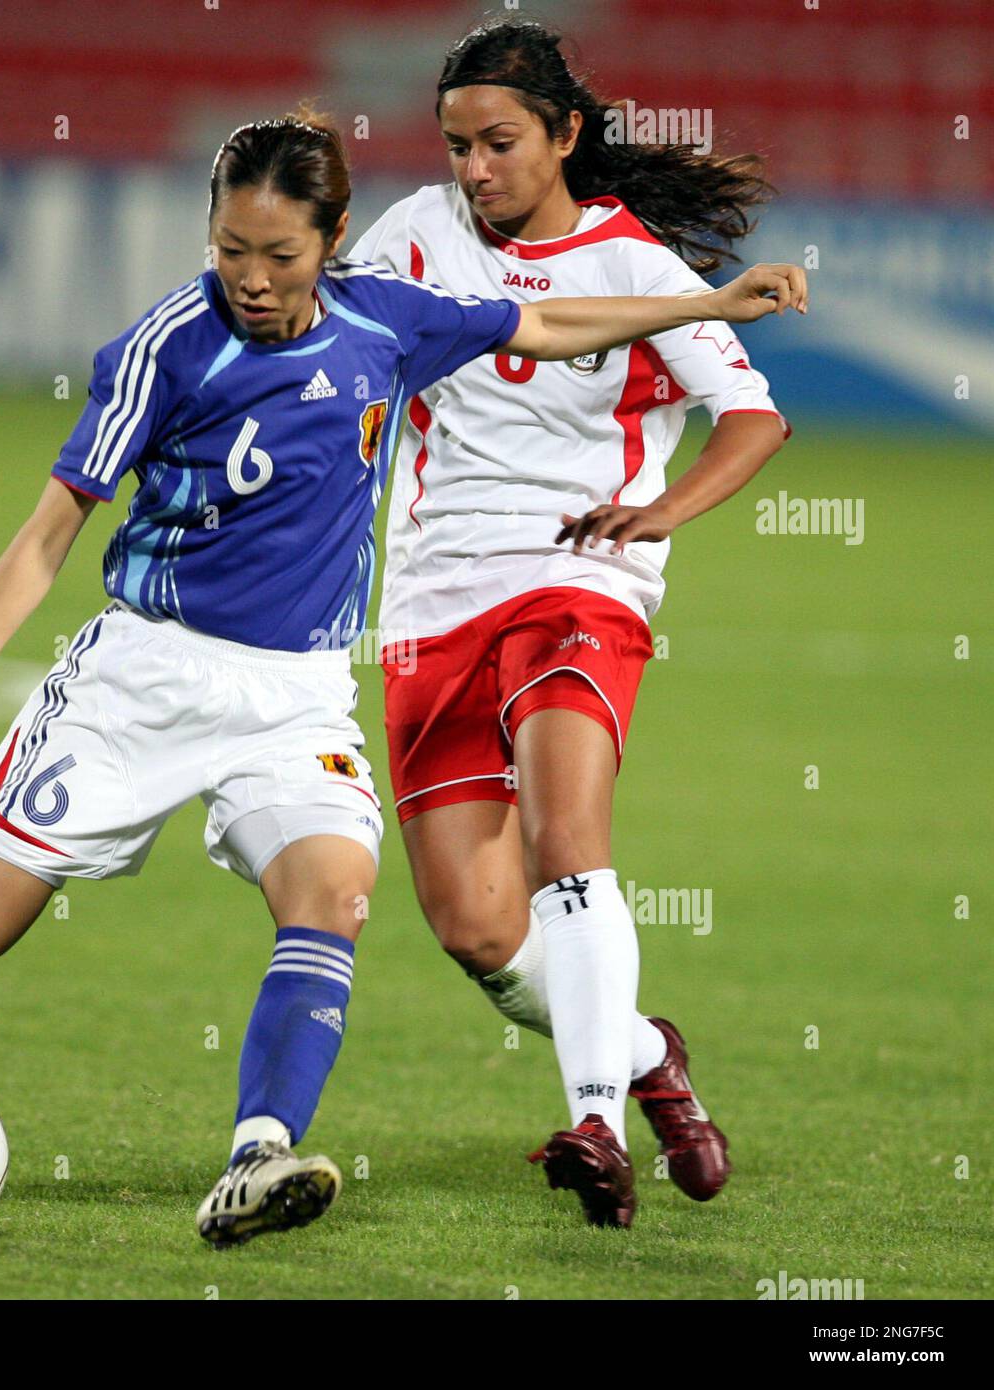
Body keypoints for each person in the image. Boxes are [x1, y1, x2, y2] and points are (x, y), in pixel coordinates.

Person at [0, 106, 804, 1247]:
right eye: (231, 250)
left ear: (334, 240)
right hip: (144, 681)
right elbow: (50, 528)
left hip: (300, 696)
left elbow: (551, 317)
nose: (254, 280)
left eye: (280, 255)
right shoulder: (164, 348)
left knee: (332, 896)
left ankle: (255, 1156)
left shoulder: (386, 320)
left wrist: (706, 305)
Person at [350, 16, 802, 1228]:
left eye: (499, 143)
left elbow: (750, 419)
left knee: (567, 838)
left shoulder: (644, 270)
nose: (474, 169)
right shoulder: (416, 237)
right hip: (434, 598)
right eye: (456, 145)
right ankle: (648, 1051)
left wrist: (662, 510)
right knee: (475, 927)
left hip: (579, 580)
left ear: (564, 136)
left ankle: (595, 1119)